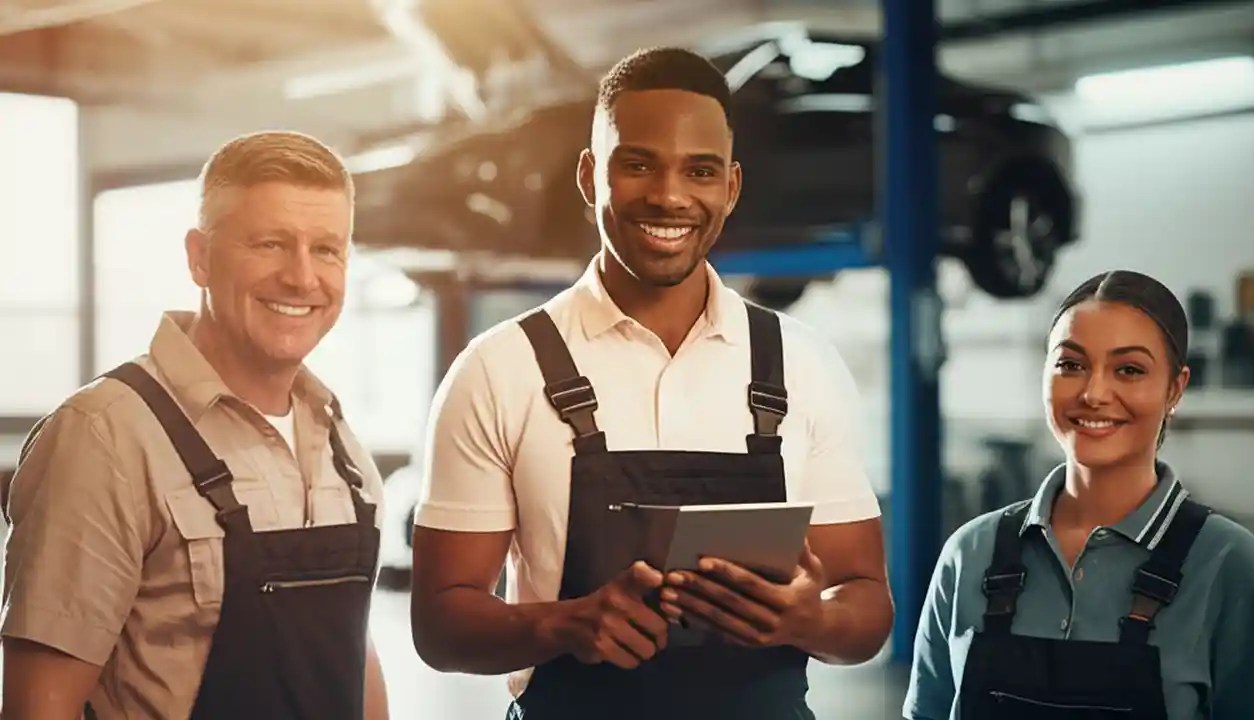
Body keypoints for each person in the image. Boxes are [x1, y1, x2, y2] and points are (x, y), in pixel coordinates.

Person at [410, 47, 893, 719]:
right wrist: (564, 625)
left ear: (731, 186)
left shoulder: (802, 365)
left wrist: (809, 621)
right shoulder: (499, 369)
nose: (669, 196)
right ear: (589, 176)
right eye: (637, 164)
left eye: (699, 171)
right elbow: (439, 623)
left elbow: (866, 604)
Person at [1, 131, 389, 720]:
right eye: (271, 243)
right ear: (199, 257)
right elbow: (38, 709)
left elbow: (353, 657)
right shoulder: (105, 436)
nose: (302, 277)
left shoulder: (340, 445)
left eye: (328, 250)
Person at [903, 270, 1254, 720]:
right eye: (1071, 364)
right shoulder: (971, 554)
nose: (1094, 392)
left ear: (1175, 388)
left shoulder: (1232, 569)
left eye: (1129, 370)